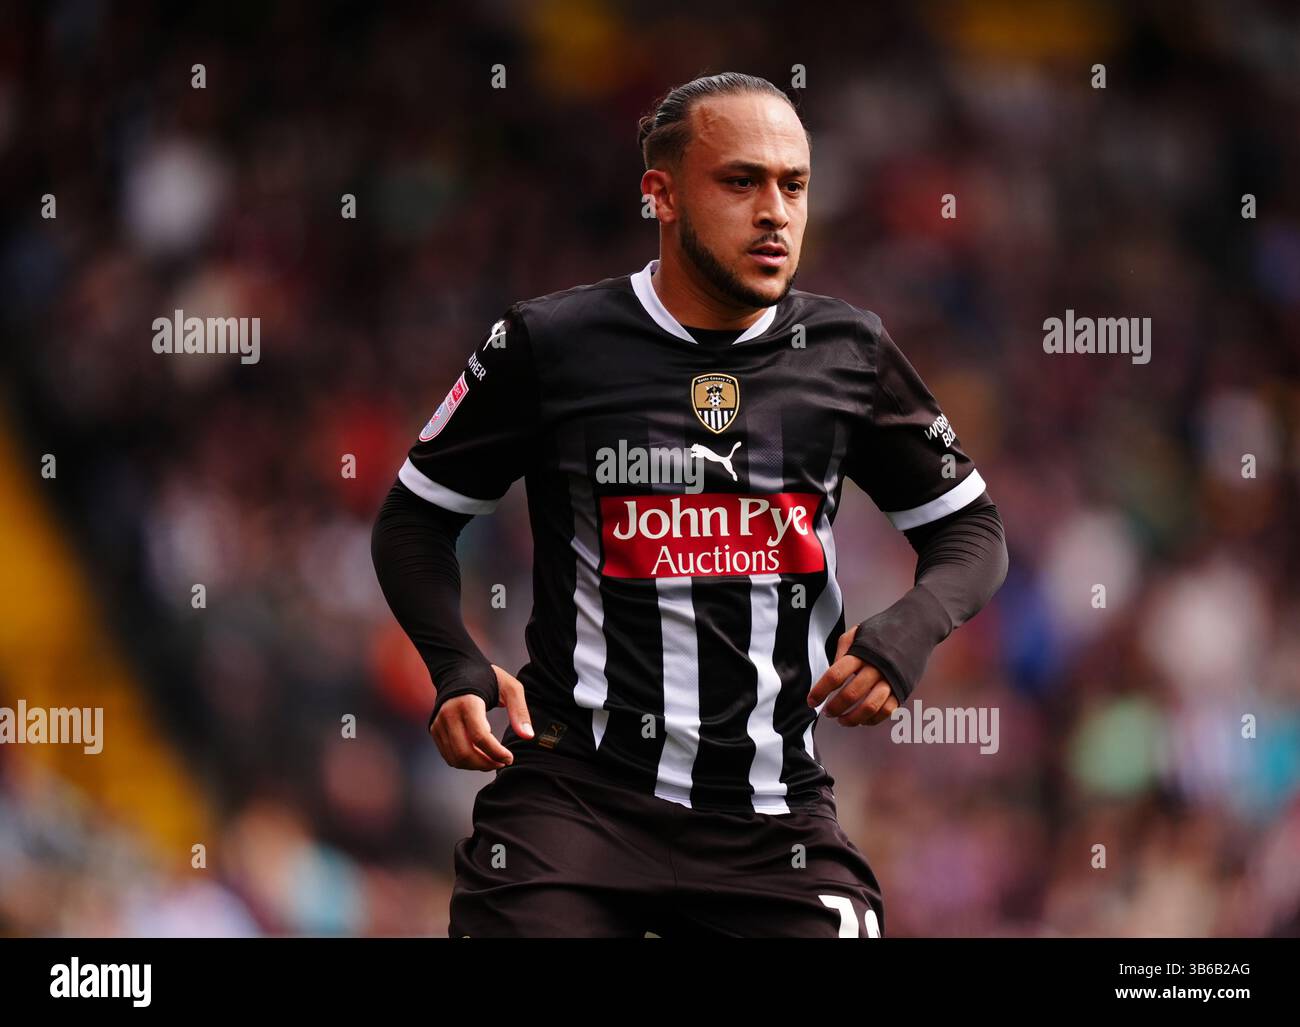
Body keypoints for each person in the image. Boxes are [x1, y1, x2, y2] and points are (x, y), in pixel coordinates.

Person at [371, 72, 1008, 937]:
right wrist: (455, 665)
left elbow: (970, 529)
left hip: (772, 821)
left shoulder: (848, 352)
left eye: (795, 184)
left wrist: (913, 626)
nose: (776, 211)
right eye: (741, 181)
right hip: (575, 805)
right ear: (661, 196)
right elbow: (415, 517)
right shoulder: (552, 344)